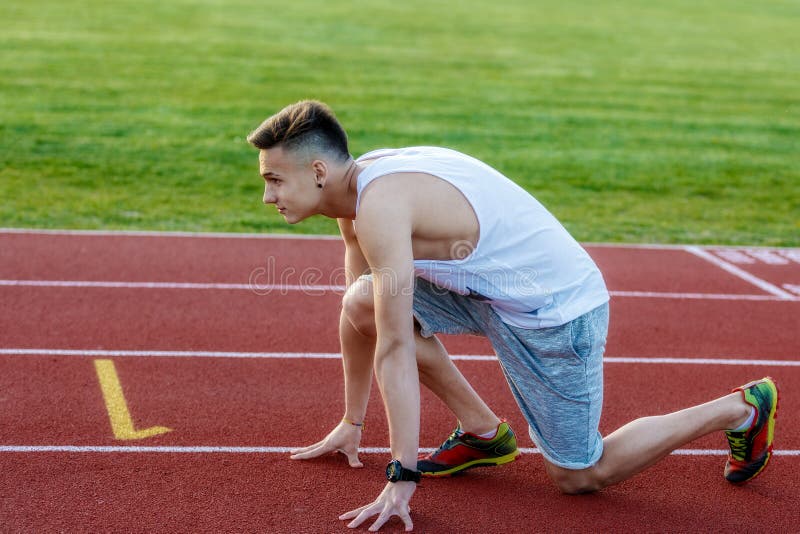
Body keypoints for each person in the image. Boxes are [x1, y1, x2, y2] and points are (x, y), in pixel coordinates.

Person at [246, 100, 779, 532]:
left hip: (557, 312)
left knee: (580, 474)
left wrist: (402, 475)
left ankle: (739, 409)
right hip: (497, 291)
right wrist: (351, 422)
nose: (266, 195)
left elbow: (394, 346)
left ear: (318, 171)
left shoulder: (379, 205)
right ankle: (483, 433)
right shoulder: (354, 196)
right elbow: (363, 314)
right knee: (364, 299)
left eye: (274, 179)